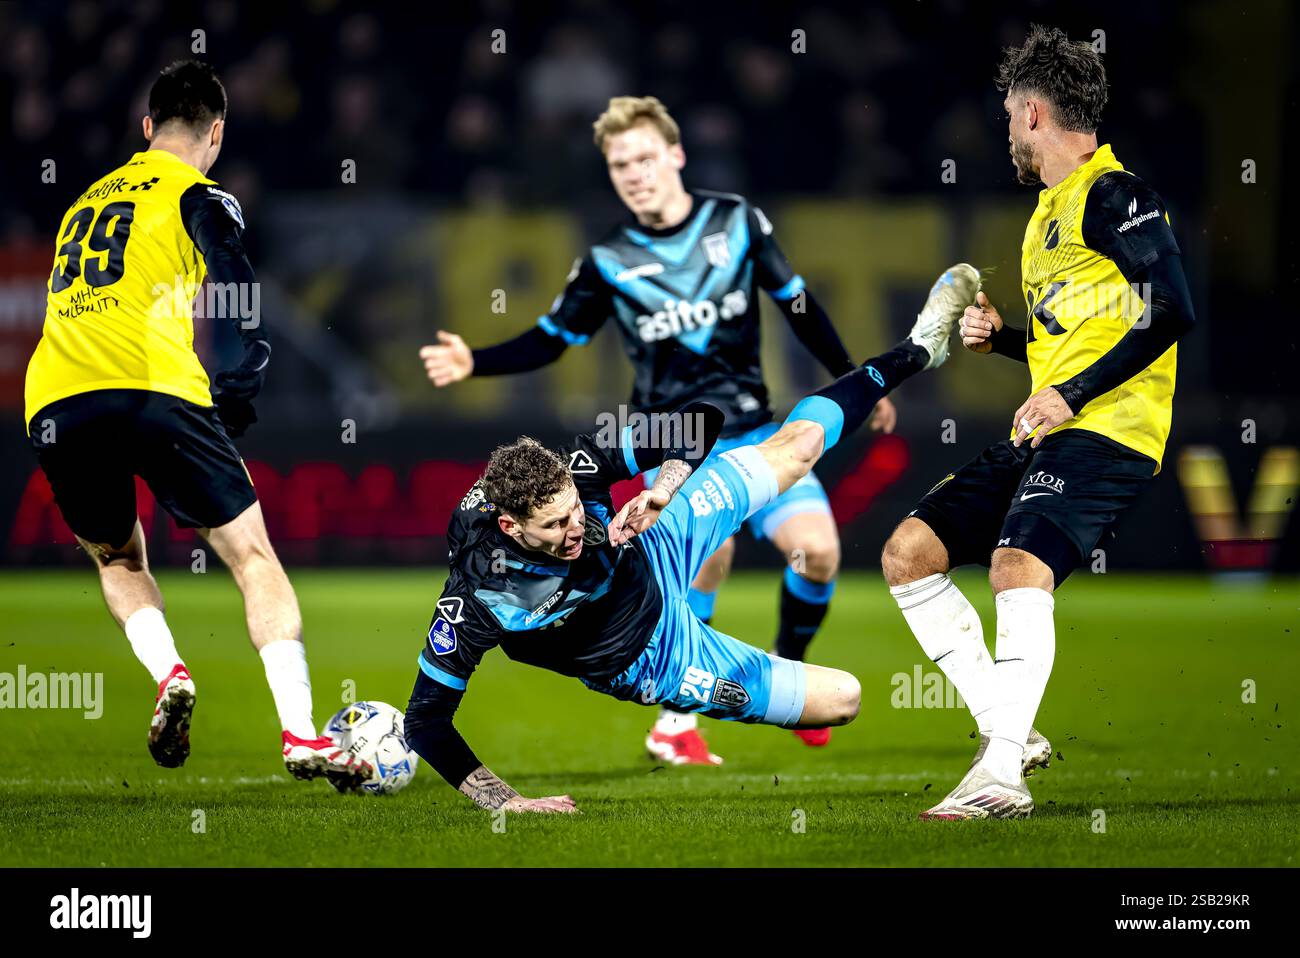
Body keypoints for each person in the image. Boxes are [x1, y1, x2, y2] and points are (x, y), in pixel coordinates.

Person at [419, 96, 896, 763]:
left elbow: (797, 305)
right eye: (620, 165)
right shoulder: (608, 259)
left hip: (750, 426)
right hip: (670, 440)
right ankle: (677, 719)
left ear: (675, 154)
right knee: (709, 556)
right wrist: (477, 361)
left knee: (817, 553)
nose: (634, 174)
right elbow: (553, 338)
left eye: (644, 158)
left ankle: (788, 661)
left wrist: (849, 374)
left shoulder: (737, 221)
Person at [401, 264, 978, 812]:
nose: (575, 527)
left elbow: (701, 420)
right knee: (843, 698)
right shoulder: (476, 596)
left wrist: (663, 490)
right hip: (652, 656)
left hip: (654, 545)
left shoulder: (579, 466)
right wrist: (510, 803)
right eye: (554, 525)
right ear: (510, 527)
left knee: (798, 446)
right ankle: (682, 716)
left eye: (575, 510)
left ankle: (919, 348)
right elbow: (425, 722)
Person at [24, 60, 371, 787]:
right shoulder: (198, 192)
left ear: (147, 126)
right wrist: (252, 357)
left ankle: (170, 672)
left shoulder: (84, 199)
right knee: (251, 558)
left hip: (57, 396)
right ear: (216, 134)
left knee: (119, 560)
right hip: (154, 387)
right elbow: (232, 267)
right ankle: (300, 734)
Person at [880, 26, 1195, 820]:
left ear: (1031, 113)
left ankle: (999, 777)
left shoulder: (1116, 195)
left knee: (1017, 566)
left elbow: (1172, 309)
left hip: (1110, 430)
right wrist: (1006, 343)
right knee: (909, 553)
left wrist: (1072, 394)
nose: (1008, 135)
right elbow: (1083, 335)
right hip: (1052, 428)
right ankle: (1010, 731)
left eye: (1009, 117)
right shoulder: (1049, 214)